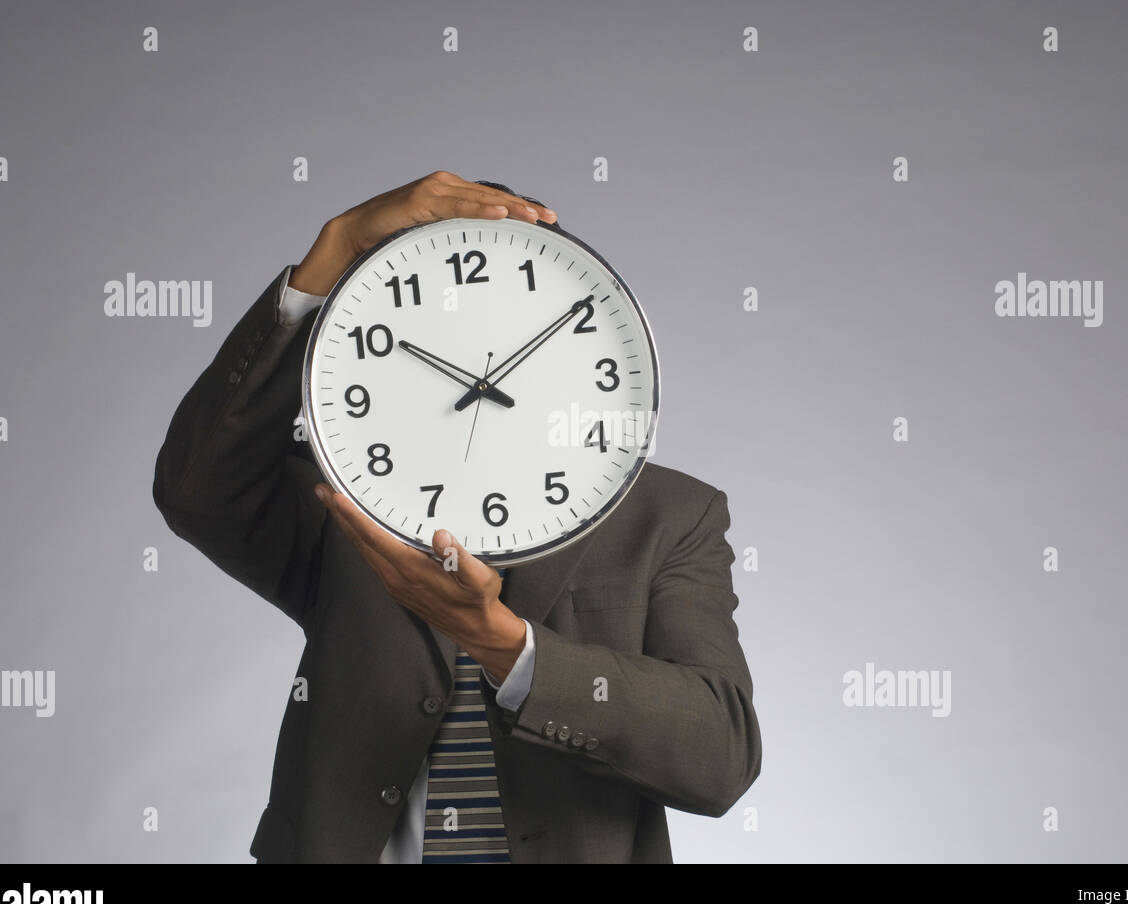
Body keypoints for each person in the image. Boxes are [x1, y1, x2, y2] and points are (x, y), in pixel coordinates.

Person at [151, 170, 762, 863]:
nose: (483, 376)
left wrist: (504, 643)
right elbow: (194, 487)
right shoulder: (354, 502)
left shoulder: (670, 515)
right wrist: (335, 250)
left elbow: (721, 754)